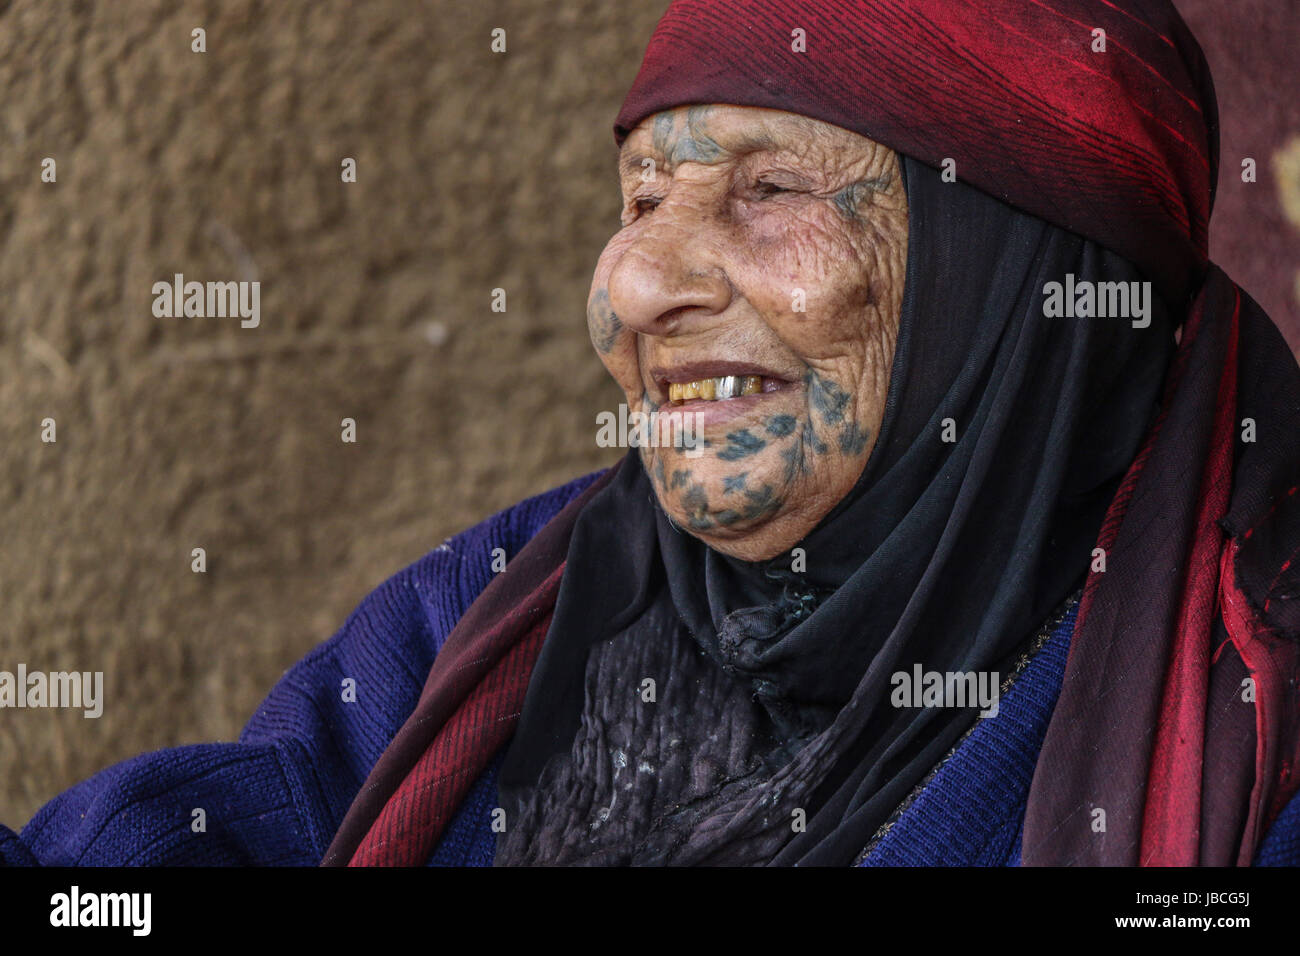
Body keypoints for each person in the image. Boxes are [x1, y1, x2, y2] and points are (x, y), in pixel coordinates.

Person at [4, 0, 1298, 867]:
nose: (629, 284)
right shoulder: (521, 602)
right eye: (639, 196)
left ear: (1012, 280)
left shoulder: (1262, 720)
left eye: (773, 190)